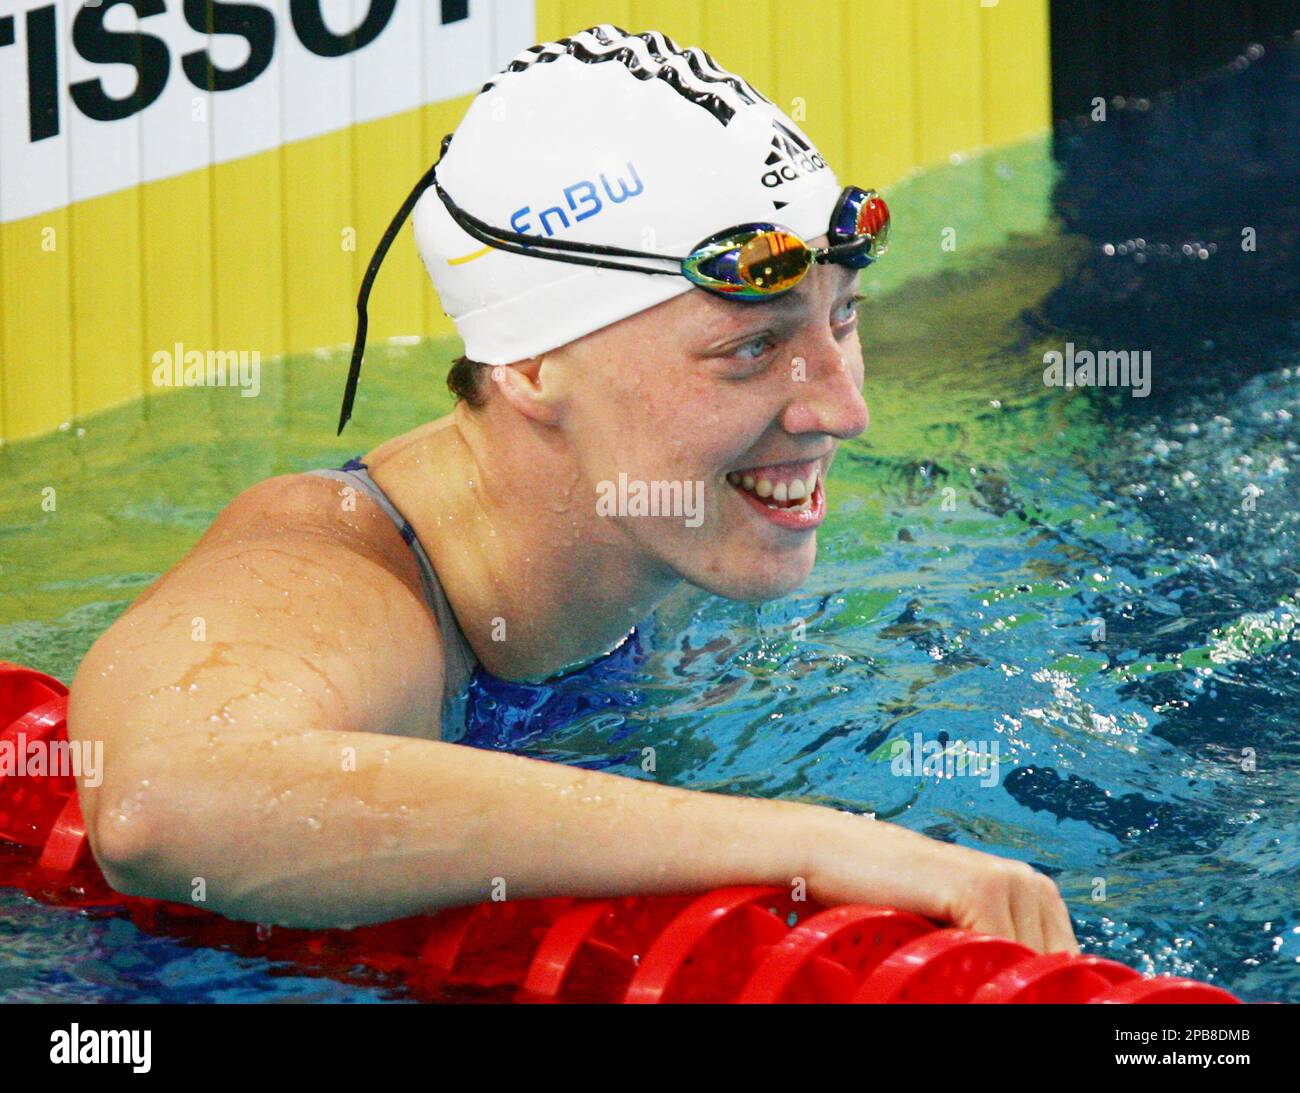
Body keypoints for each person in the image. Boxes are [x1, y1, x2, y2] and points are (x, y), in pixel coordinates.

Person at [68, 25, 1078, 952]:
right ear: (529, 368)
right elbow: (158, 804)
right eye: (750, 347)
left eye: (843, 317)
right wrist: (814, 845)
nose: (841, 409)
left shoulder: (671, 523)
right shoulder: (325, 571)